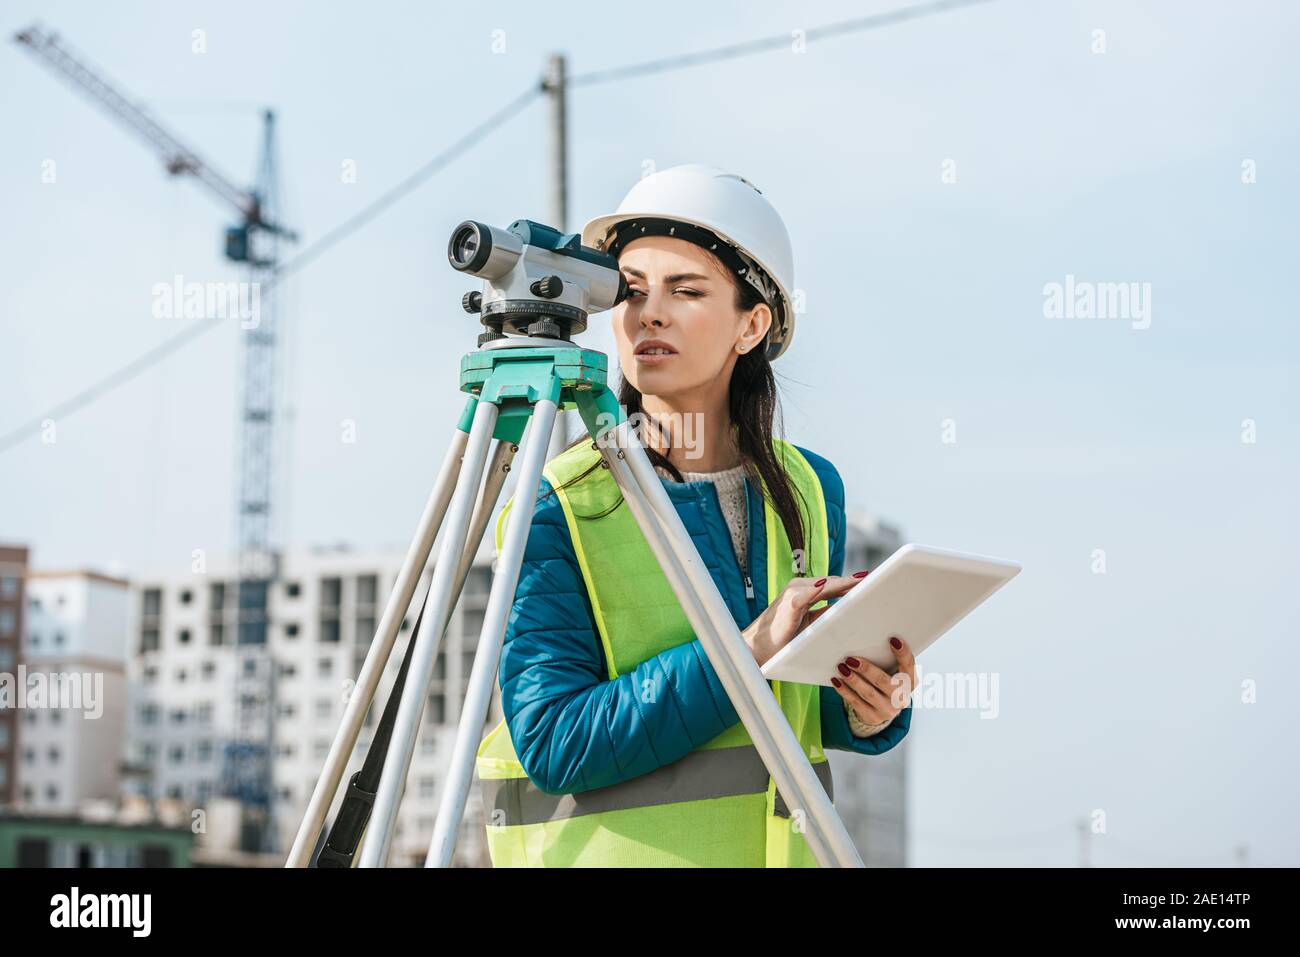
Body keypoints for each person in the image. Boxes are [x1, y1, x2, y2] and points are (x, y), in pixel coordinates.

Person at [475, 164, 916, 867]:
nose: (650, 313)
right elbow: (553, 739)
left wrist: (871, 710)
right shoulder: (564, 501)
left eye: (686, 291)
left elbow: (803, 707)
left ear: (753, 324)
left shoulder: (809, 488)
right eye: (632, 291)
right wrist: (746, 652)